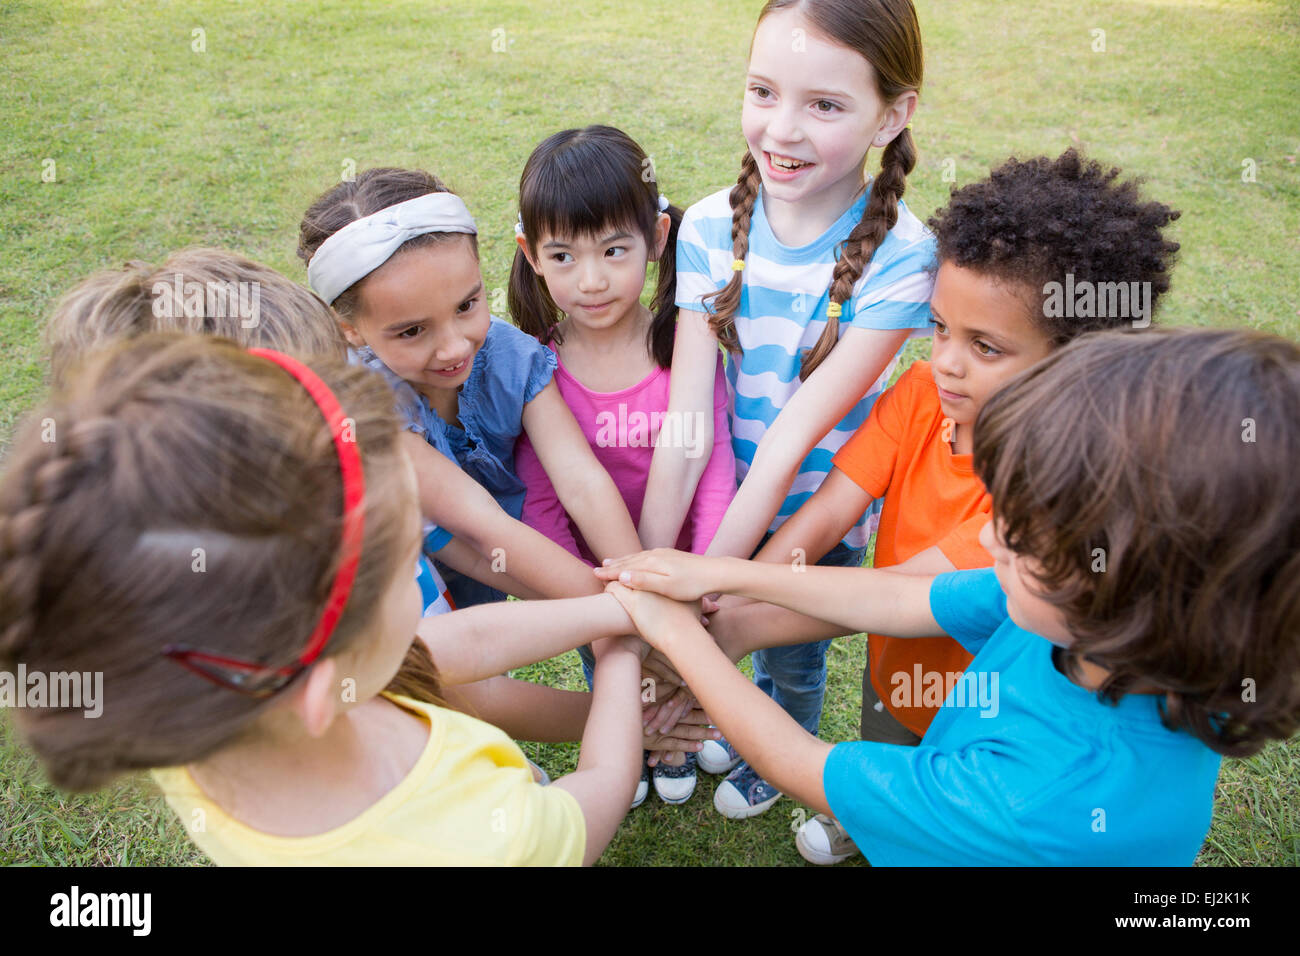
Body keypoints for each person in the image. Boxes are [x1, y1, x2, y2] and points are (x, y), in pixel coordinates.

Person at [0, 333, 717, 865]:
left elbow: (438, 653)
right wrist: (626, 647)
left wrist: (609, 607)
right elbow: (600, 785)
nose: (424, 579)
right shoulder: (482, 840)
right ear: (319, 687)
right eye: (409, 565)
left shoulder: (190, 695)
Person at [599, 326, 1300, 865]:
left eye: (1023, 531)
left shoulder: (1042, 798)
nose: (990, 536)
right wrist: (725, 577)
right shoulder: (1089, 620)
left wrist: (683, 640)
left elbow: (799, 763)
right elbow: (899, 601)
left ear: (1143, 583)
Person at [695, 149, 1180, 859]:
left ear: (1076, 363)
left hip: (979, 705)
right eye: (941, 328)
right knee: (886, 741)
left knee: (935, 796)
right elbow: (827, 512)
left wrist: (729, 626)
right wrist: (730, 607)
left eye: (985, 346)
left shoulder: (1051, 501)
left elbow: (902, 590)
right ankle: (867, 818)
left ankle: (883, 815)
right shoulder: (923, 393)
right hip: (896, 664)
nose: (946, 360)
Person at [639, 0, 937, 818]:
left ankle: (775, 758)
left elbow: (792, 441)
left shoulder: (904, 259)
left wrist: (700, 586)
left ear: (893, 115)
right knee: (715, 637)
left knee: (791, 665)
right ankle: (729, 729)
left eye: (826, 105)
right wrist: (659, 561)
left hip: (818, 517)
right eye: (763, 92)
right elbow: (687, 426)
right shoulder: (705, 227)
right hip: (719, 508)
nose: (782, 130)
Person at [510, 125, 737, 805]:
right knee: (613, 665)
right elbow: (543, 497)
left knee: (688, 660)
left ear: (658, 239)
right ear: (530, 254)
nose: (592, 280)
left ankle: (685, 726)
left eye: (615, 250)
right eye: (563, 256)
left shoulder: (685, 350)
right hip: (595, 583)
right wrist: (588, 592)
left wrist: (701, 580)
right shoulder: (535, 365)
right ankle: (633, 739)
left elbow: (714, 469)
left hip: (689, 575)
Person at [298, 168, 642, 610]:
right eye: (412, 331)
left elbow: (582, 481)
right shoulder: (364, 404)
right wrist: (636, 616)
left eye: (466, 305)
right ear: (350, 329)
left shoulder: (511, 359)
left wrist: (636, 580)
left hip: (491, 562)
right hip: (394, 591)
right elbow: (481, 526)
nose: (454, 346)